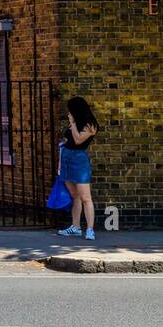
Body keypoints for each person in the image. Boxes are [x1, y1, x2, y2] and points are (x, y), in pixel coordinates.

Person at [57, 96, 99, 240]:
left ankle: (90, 229)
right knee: (75, 196)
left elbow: (78, 140)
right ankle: (75, 227)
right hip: (67, 158)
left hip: (79, 160)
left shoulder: (90, 125)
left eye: (71, 109)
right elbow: (68, 141)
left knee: (85, 197)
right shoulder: (77, 122)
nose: (69, 112)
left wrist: (73, 123)